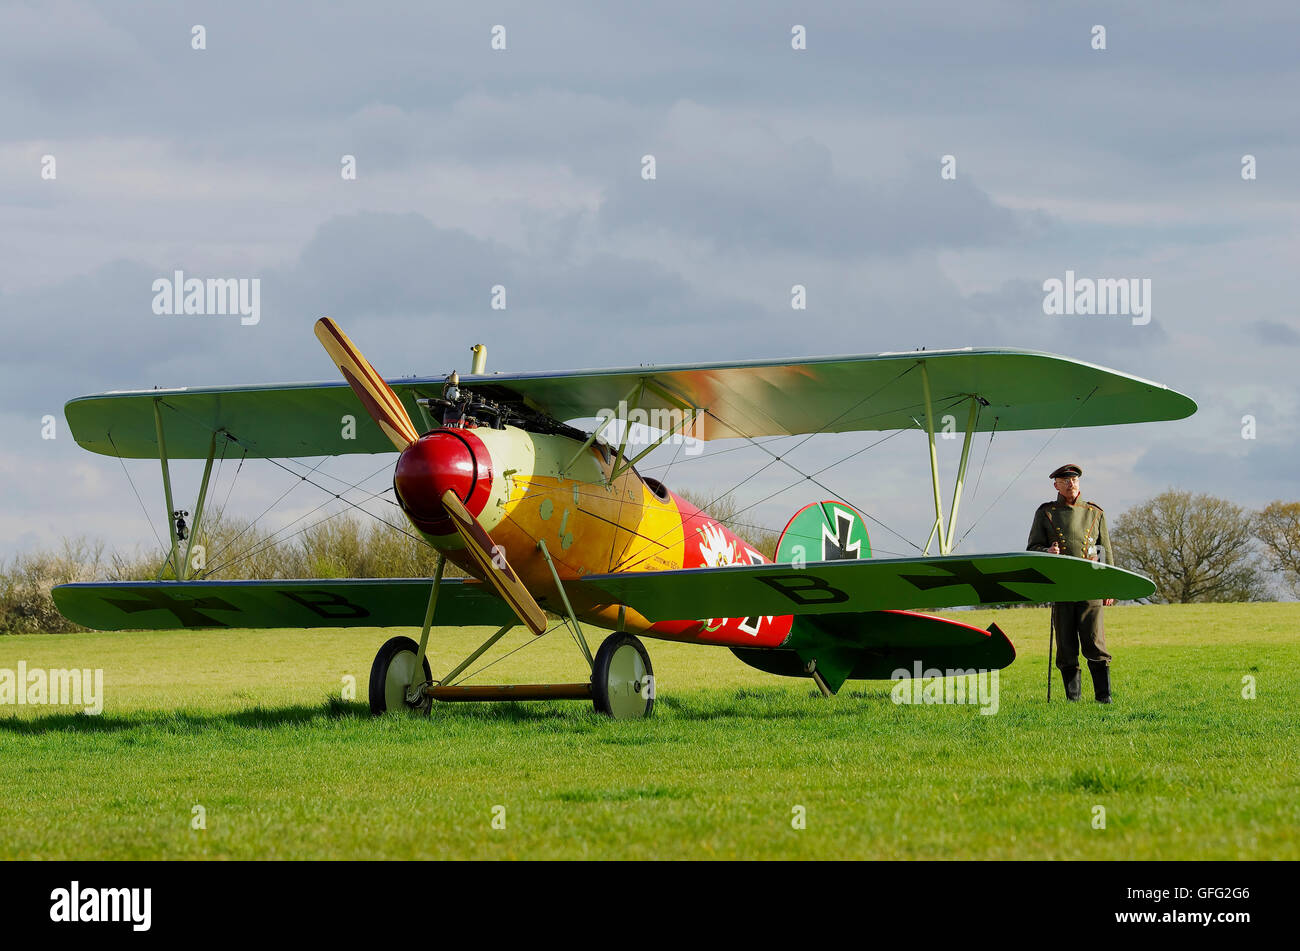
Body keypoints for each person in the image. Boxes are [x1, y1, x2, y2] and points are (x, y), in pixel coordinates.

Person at [1026, 464, 1115, 703]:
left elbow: (1104, 550)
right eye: (1064, 480)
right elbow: (1032, 549)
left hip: (1090, 587)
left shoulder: (1094, 512)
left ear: (1079, 482)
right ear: (1056, 485)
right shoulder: (1046, 513)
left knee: (1095, 642)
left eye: (1074, 479)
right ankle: (1072, 699)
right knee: (1066, 646)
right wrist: (1047, 550)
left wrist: (1107, 586)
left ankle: (1103, 698)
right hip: (1062, 587)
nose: (1070, 484)